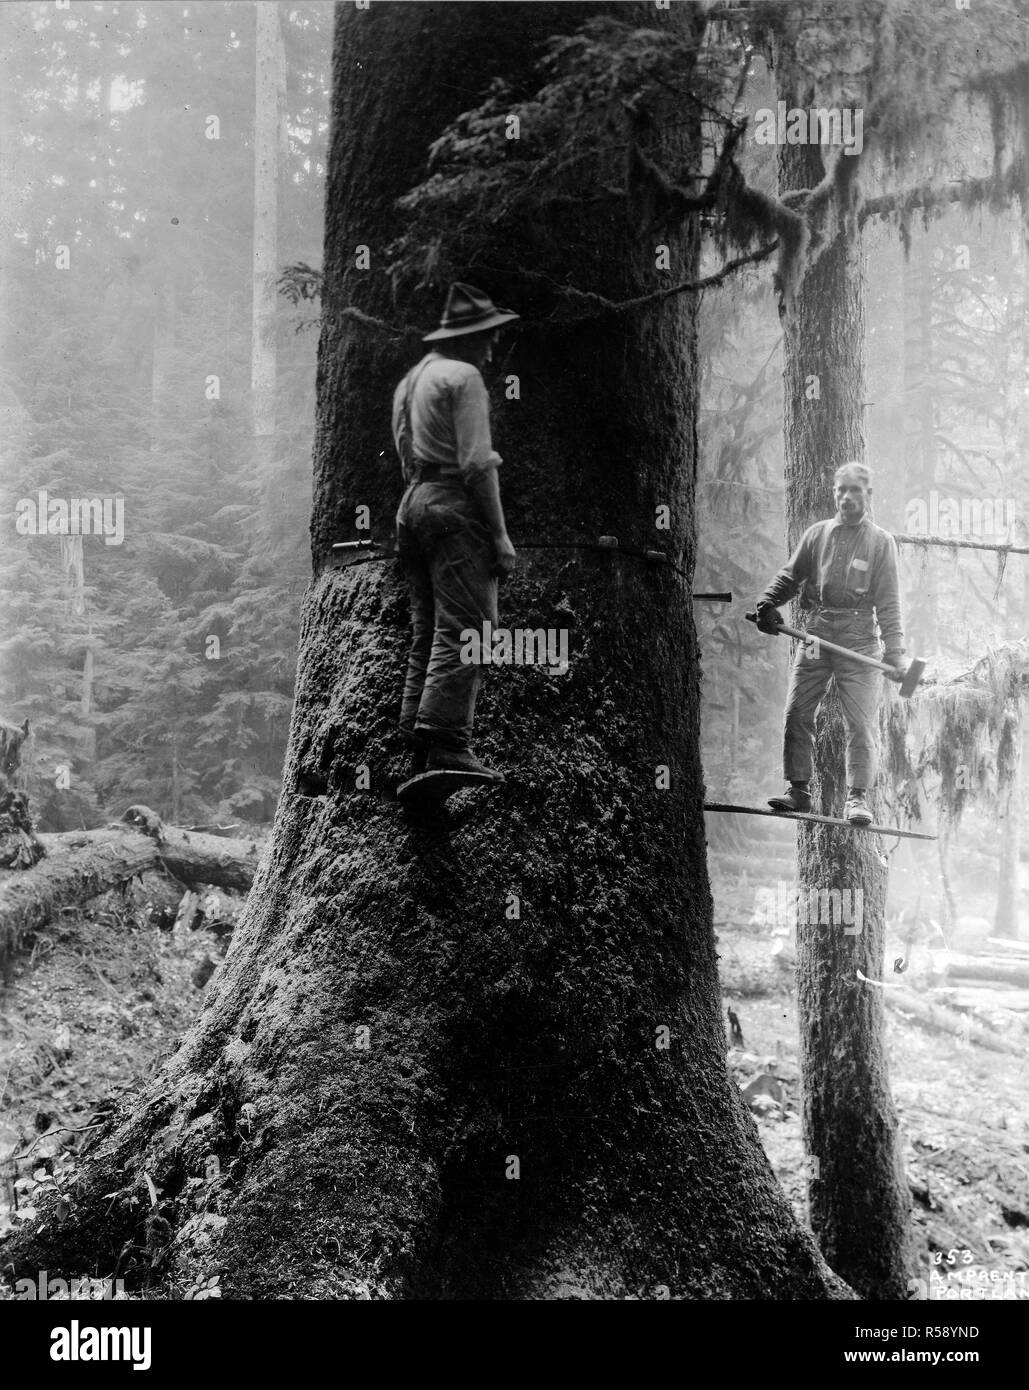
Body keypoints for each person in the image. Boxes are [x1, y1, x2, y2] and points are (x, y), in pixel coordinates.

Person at [393, 283, 519, 779]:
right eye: (487, 336)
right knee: (472, 627)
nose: (491, 347)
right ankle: (447, 743)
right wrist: (500, 534)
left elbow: (407, 454)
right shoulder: (463, 376)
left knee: (429, 629)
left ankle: (413, 742)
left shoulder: (412, 380)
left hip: (413, 505)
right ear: (467, 337)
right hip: (451, 506)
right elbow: (476, 464)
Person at [754, 462, 906, 826]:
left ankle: (857, 799)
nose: (847, 497)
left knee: (860, 723)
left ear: (868, 495)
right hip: (817, 632)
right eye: (841, 490)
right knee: (796, 711)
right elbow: (790, 577)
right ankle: (799, 791)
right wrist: (767, 604)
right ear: (834, 493)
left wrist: (896, 653)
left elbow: (888, 603)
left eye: (856, 490)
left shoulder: (880, 542)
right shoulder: (817, 535)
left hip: (860, 638)